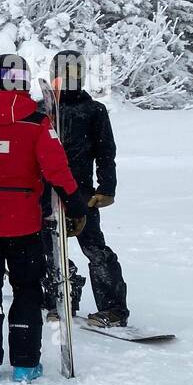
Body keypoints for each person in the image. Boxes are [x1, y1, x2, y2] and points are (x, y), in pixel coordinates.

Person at [0, 54, 88, 385]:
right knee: (26, 290)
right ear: (21, 81)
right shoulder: (37, 125)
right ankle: (24, 364)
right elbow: (57, 171)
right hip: (23, 225)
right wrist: (76, 205)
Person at [43, 50, 130, 328]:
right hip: (44, 193)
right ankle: (64, 297)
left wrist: (107, 189)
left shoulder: (94, 110)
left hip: (82, 194)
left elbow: (106, 152)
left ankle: (113, 309)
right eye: (62, 72)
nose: (67, 78)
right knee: (50, 249)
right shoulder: (40, 110)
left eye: (73, 72)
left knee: (94, 248)